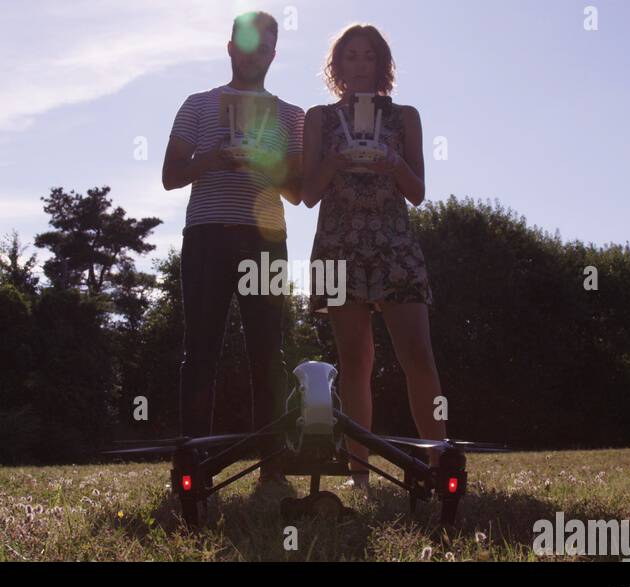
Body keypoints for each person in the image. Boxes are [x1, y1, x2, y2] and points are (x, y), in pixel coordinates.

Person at [162, 11, 304, 485]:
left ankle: (272, 467)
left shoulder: (290, 115)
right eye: (245, 46)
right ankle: (192, 466)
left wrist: (267, 159)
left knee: (268, 352)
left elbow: (299, 191)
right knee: (200, 350)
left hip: (265, 240)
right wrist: (215, 158)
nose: (252, 55)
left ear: (273, 55)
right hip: (206, 235)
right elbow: (170, 175)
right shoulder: (197, 105)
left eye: (263, 48)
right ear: (230, 48)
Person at [301, 24, 444, 493]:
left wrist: (394, 163)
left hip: (394, 244)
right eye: (350, 56)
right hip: (339, 244)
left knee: (418, 356)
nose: (359, 65)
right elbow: (306, 194)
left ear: (383, 64)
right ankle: (359, 474)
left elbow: (419, 193)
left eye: (369, 56)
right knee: (357, 359)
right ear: (336, 66)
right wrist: (335, 161)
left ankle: (438, 461)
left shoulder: (406, 117)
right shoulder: (319, 118)